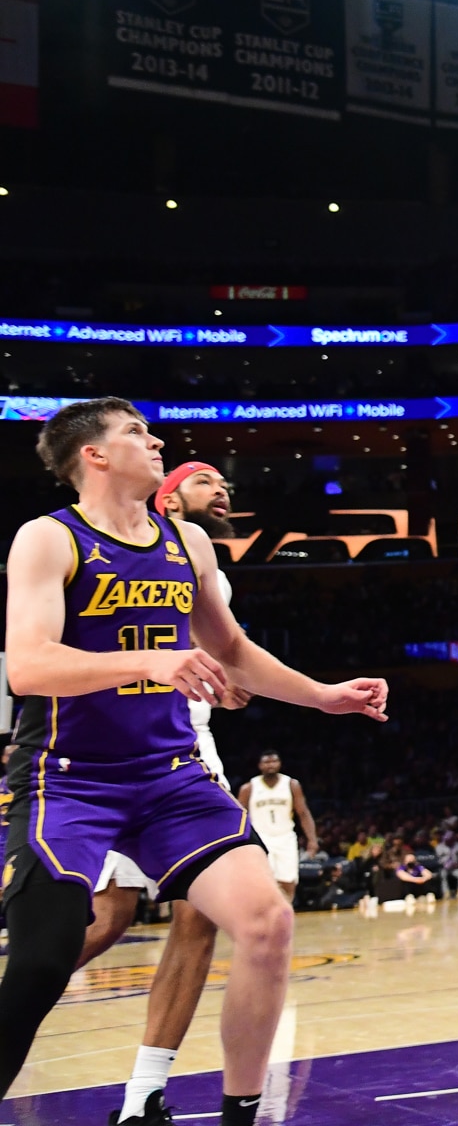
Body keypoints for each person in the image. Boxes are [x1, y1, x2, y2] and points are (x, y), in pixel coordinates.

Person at [0, 398, 388, 1125]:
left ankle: (238, 1115)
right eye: (137, 434)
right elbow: (28, 666)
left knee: (268, 924)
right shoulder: (49, 540)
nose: (157, 442)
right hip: (69, 776)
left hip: (168, 775)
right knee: (45, 960)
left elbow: (234, 651)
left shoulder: (189, 546)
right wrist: (156, 657)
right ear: (94, 455)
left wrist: (323, 696)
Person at [74, 461, 241, 1126]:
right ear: (170, 497)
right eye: (207, 482)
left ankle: (144, 1096)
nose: (222, 490)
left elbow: (223, 648)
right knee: (105, 921)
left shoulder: (199, 558)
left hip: (187, 747)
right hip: (128, 752)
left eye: (224, 484)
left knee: (196, 916)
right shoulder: (124, 547)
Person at [237, 751, 318, 904]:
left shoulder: (291, 785)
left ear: (280, 763)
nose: (271, 765)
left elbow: (303, 813)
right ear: (260, 765)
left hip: (285, 837)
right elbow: (238, 818)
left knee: (288, 881)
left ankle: (285, 916)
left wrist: (312, 840)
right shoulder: (248, 788)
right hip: (260, 839)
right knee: (261, 882)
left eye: (274, 761)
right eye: (267, 762)